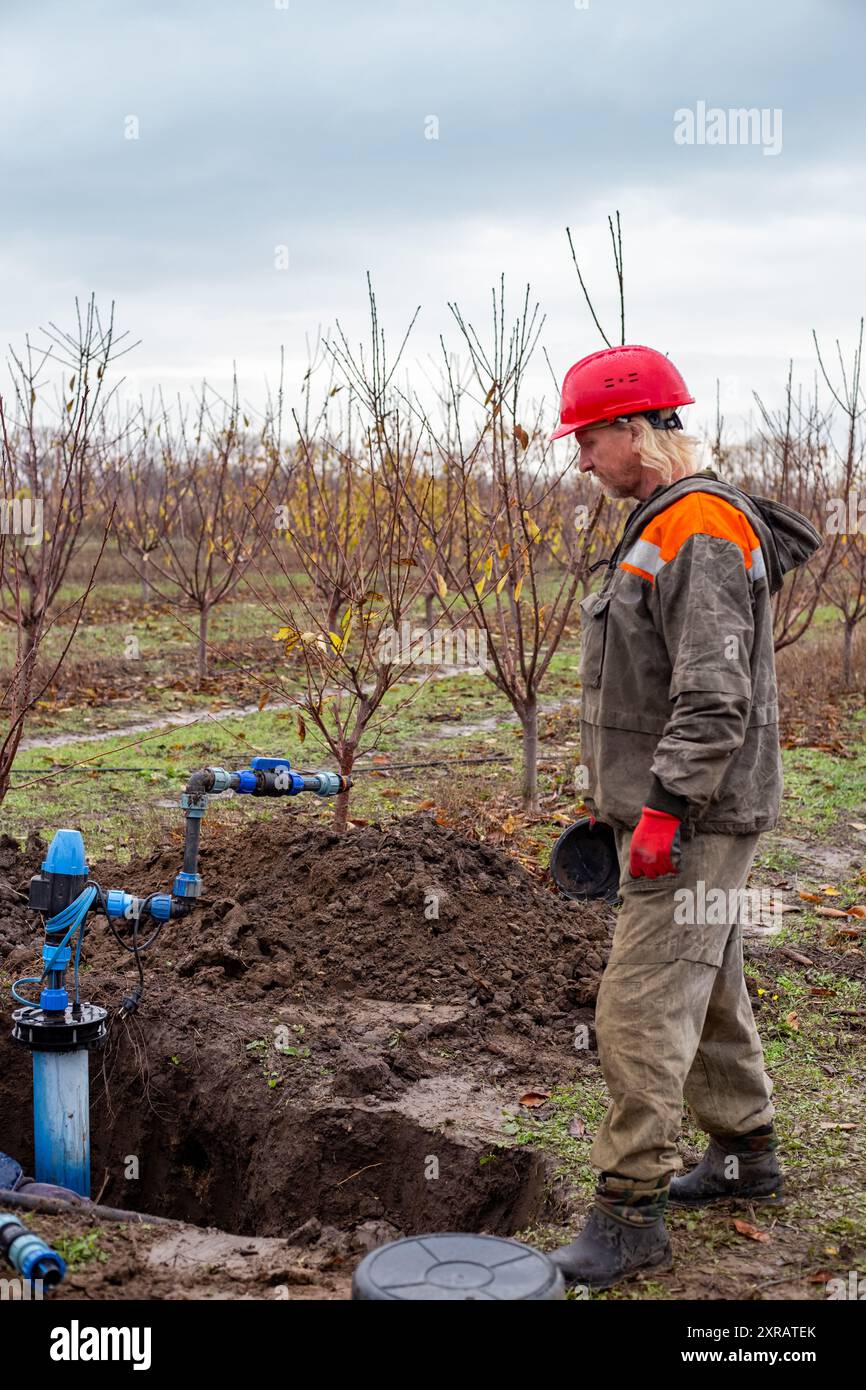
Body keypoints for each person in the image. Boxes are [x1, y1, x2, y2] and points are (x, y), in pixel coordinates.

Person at [546, 346, 820, 1289]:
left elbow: (713, 694)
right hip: (682, 807)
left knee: (639, 1005)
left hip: (695, 815)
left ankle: (629, 1214)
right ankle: (746, 1153)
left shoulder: (697, 526)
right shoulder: (666, 521)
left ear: (635, 429)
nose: (582, 461)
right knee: (707, 982)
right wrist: (620, 803)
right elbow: (656, 683)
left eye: (588, 439)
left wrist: (662, 808)